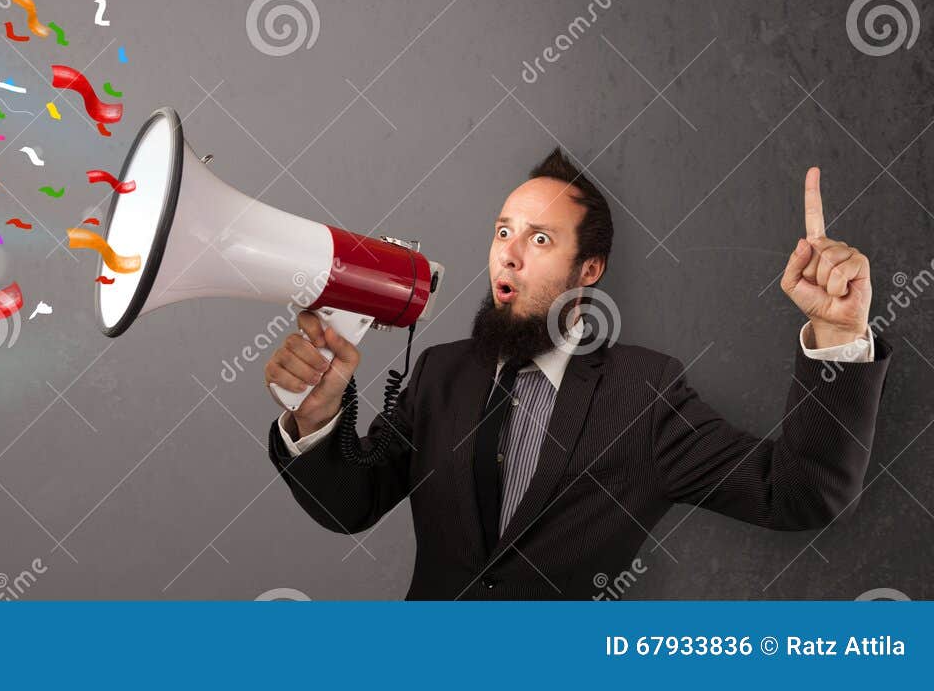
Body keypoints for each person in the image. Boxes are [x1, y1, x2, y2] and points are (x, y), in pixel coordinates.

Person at [265, 148, 890, 599]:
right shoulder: (439, 372)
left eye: (539, 240)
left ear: (589, 270)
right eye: (503, 231)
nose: (507, 251)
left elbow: (799, 493)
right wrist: (315, 421)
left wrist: (837, 336)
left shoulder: (642, 398)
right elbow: (350, 507)